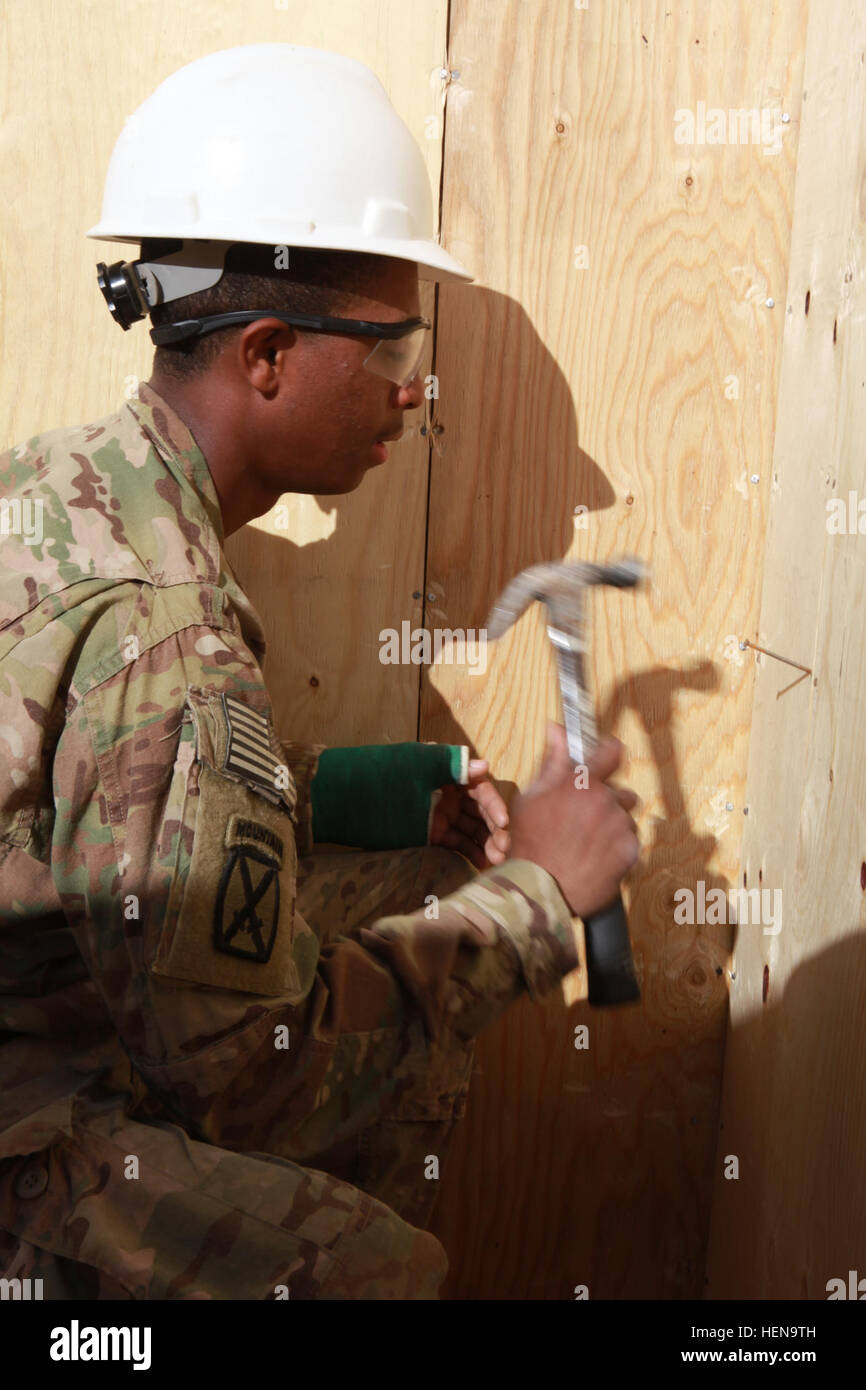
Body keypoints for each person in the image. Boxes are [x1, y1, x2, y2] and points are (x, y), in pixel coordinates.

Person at [0, 43, 640, 1300]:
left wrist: (373, 794)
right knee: (374, 1272)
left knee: (403, 877)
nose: (414, 397)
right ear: (268, 356)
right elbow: (255, 1082)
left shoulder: (61, 487)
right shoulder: (172, 642)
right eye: (397, 354)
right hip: (23, 1146)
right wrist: (539, 901)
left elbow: (101, 818)